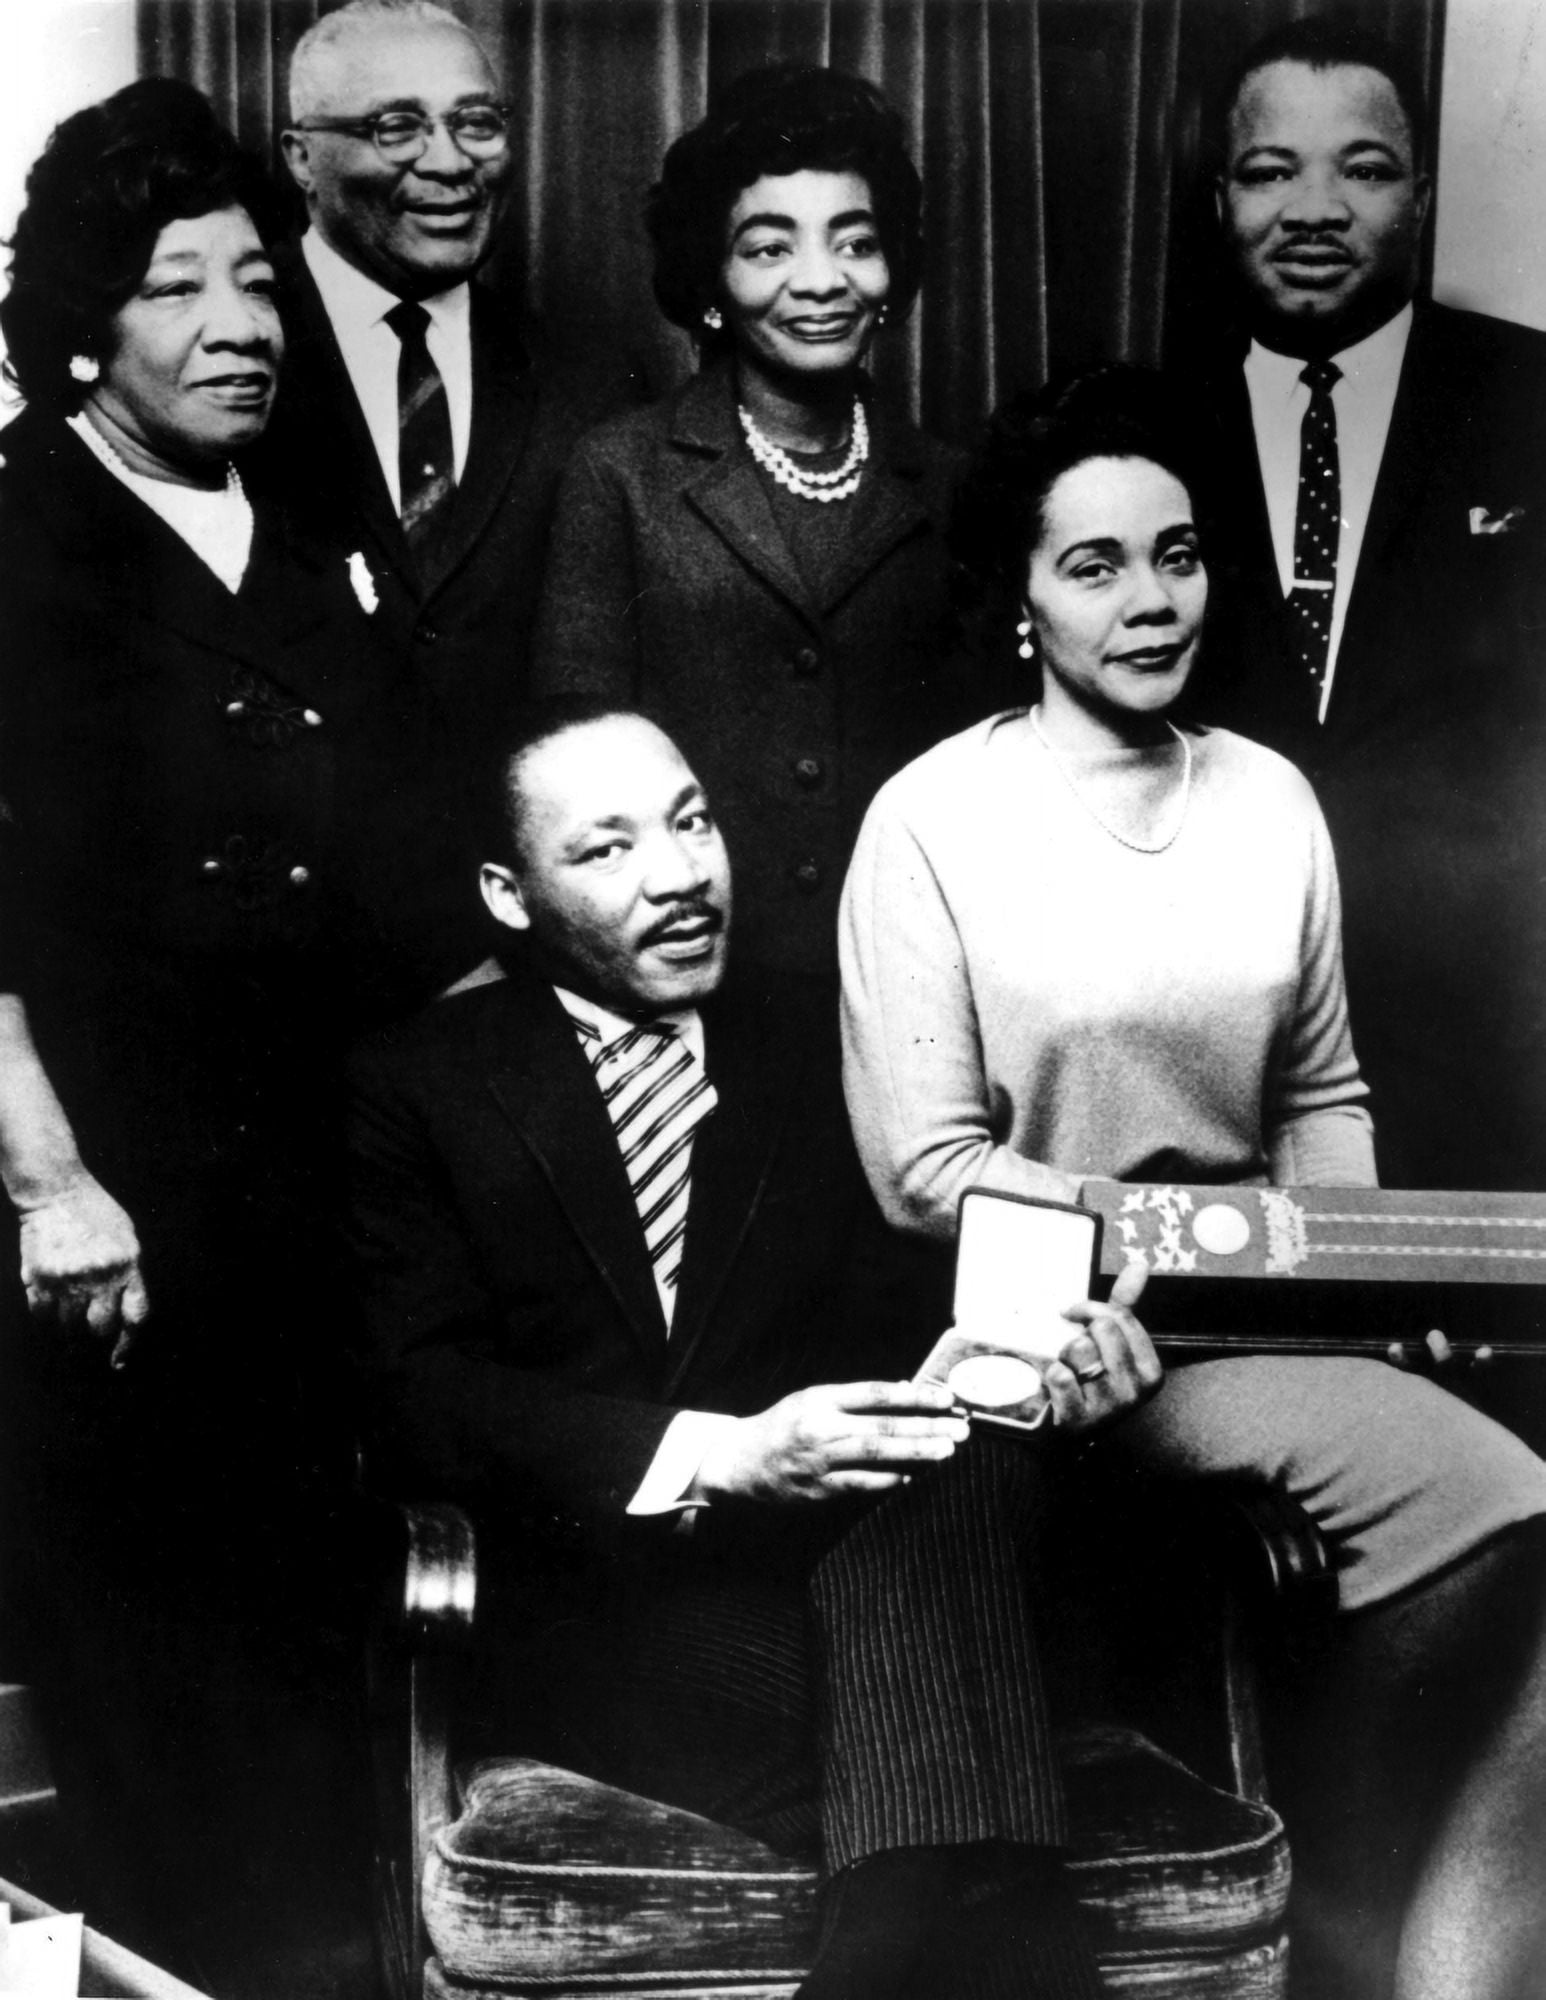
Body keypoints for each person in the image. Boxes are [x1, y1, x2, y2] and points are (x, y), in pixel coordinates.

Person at [840, 367, 1546, 2000]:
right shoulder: (930, 821)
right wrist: (1154, 1259)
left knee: (1519, 1519)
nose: (1149, 598)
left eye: (1177, 554)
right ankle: (1349, 1903)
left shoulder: (1269, 801)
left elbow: (1320, 1087)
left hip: (1269, 1325)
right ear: (1018, 597)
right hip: (1059, 1350)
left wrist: (1352, 1290)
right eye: (1094, 565)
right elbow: (922, 1168)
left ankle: (1405, 1945)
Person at [347, 694, 1180, 2000]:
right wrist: (721, 1455)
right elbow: (418, 1396)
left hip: (868, 1575)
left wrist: (1022, 1366)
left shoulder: (824, 1042)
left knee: (966, 1485)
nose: (680, 875)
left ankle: (894, 1943)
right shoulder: (414, 1087)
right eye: (608, 848)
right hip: (609, 1613)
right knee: (956, 1736)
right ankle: (994, 1926)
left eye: (691, 821)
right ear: (508, 895)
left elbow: (914, 1342)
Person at [0, 77, 476, 1985]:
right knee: (147, 1702)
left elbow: (415, 858)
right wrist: (49, 1179)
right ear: (84, 327)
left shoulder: (311, 523)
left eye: (257, 281)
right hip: (110, 1224)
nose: (240, 324)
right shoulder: (20, 533)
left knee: (319, 1673)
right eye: (179, 286)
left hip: (322, 1212)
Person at [1184, 14, 1546, 1194]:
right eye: (1270, 170)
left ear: (1423, 195)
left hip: (1492, 1050)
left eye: (1365, 168)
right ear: (1218, 200)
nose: (1315, 209)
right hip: (1210, 1063)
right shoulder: (1131, 430)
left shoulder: (1529, 401)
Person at [532, 65, 980, 975]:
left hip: (909, 972)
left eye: (854, 242)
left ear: (891, 271)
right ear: (711, 280)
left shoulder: (951, 484)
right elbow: (575, 768)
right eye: (770, 248)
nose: (821, 281)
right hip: (687, 971)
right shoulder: (619, 471)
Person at [270, 0, 636, 756]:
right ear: (301, 157)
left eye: (476, 121)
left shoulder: (590, 379)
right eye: (395, 127)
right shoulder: (224, 354)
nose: (448, 161)